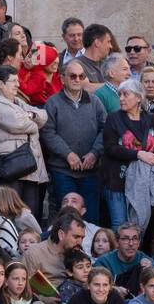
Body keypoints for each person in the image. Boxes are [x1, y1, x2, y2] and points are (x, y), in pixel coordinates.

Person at [41, 58, 107, 222]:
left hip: (90, 171)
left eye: (81, 76)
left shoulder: (95, 101)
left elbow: (105, 129)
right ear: (62, 79)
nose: (77, 79)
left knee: (90, 217)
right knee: (67, 219)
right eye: (73, 76)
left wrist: (94, 153)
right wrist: (68, 154)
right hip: (63, 171)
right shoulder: (53, 103)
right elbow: (48, 132)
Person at [103, 78, 154, 232]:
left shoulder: (151, 119)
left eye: (126, 94)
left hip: (144, 183)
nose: (121, 99)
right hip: (118, 181)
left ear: (139, 97)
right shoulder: (114, 118)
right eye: (120, 95)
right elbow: (110, 148)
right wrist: (138, 154)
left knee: (140, 226)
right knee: (120, 226)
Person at [0, 65, 49, 216]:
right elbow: (18, 124)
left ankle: (30, 240)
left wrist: (30, 116)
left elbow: (43, 115)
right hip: (10, 166)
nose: (18, 85)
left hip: (29, 165)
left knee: (30, 215)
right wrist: (33, 121)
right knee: (11, 214)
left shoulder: (18, 102)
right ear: (1, 84)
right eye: (13, 81)